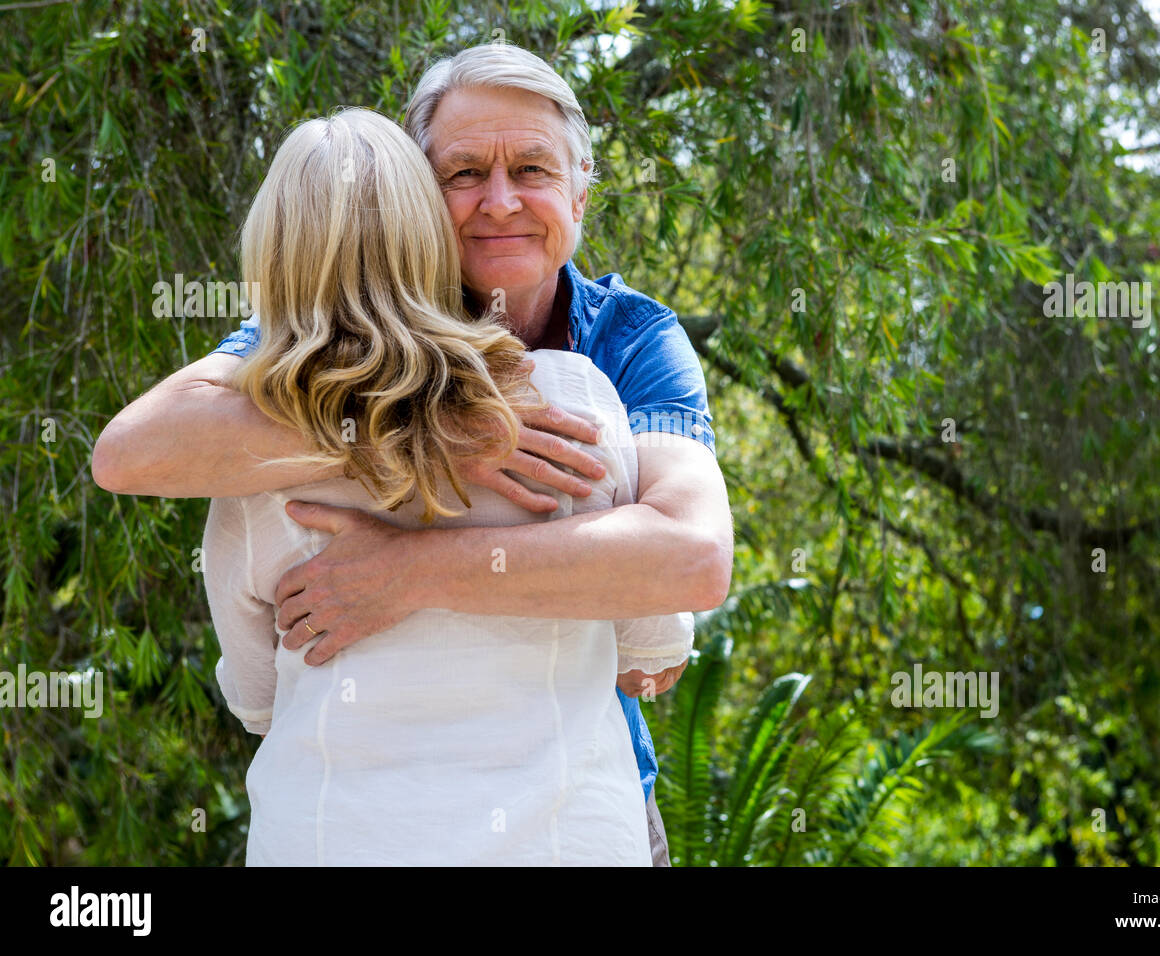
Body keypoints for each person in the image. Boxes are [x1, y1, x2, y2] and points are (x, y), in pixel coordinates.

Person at [91, 44, 733, 866]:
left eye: (532, 168)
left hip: (573, 806)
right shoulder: (327, 325)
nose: (500, 202)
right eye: (464, 173)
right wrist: (440, 426)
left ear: (581, 188)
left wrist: (411, 571)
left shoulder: (629, 339)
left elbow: (691, 559)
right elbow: (134, 453)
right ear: (412, 197)